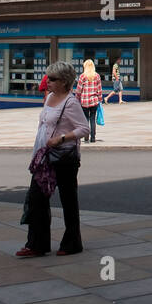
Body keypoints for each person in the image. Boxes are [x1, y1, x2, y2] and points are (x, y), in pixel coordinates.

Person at [17, 62, 89, 258]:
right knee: (36, 199)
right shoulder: (49, 97)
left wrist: (62, 138)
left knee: (68, 201)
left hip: (64, 157)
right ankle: (37, 245)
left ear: (65, 82)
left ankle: (72, 243)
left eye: (52, 79)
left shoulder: (71, 102)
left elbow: (84, 128)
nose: (47, 82)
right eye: (48, 77)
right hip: (44, 157)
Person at [76, 60, 103, 143]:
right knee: (92, 118)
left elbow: (79, 90)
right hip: (94, 101)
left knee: (85, 118)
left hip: (84, 101)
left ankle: (86, 135)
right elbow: (99, 89)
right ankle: (93, 137)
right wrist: (100, 99)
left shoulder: (82, 76)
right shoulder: (97, 76)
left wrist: (77, 99)